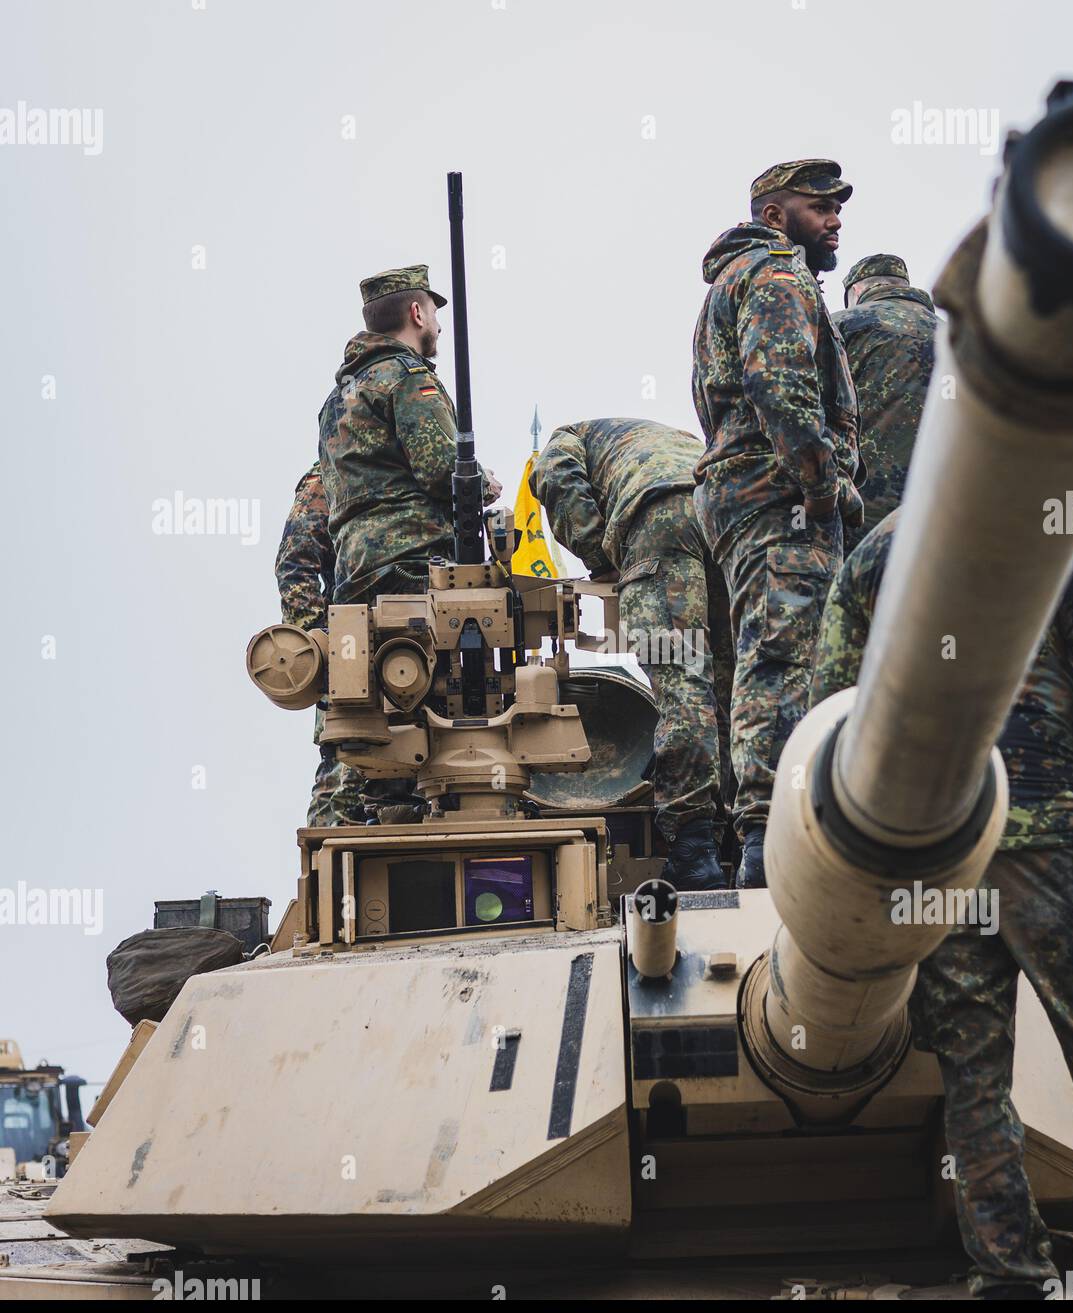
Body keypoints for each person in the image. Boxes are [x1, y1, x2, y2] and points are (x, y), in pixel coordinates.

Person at [811, 515, 1073, 1300]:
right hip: (1056, 833)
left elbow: (832, 706)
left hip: (939, 851)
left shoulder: (873, 552)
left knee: (974, 1083)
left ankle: (1010, 1276)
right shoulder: (1051, 510)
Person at [691, 159, 863, 887]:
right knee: (787, 656)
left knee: (769, 651)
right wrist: (823, 490)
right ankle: (768, 836)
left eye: (836, 208)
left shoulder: (734, 283)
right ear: (774, 215)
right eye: (818, 206)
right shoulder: (775, 275)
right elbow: (780, 385)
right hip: (780, 499)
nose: (834, 220)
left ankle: (766, 825)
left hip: (746, 496)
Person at [318, 264, 500, 822]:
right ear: (417, 313)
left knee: (383, 707)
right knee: (454, 702)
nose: (440, 328)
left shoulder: (336, 398)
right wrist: (485, 484)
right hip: (416, 563)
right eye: (435, 314)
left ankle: (381, 817)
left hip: (356, 574)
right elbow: (442, 468)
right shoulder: (407, 377)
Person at [531, 419, 733, 889]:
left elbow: (556, 476)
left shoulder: (568, 435)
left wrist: (601, 555)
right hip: (726, 512)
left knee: (682, 678)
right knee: (737, 682)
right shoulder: (665, 436)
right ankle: (752, 837)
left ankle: (693, 848)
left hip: (660, 519)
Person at [273, 462, 364, 826]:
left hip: (428, 657)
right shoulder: (332, 475)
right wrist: (321, 651)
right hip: (353, 660)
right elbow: (295, 564)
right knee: (344, 788)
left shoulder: (428, 473)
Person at [831, 253, 938, 549]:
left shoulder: (840, 326)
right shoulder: (960, 338)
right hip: (946, 513)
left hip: (861, 516)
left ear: (856, 292)